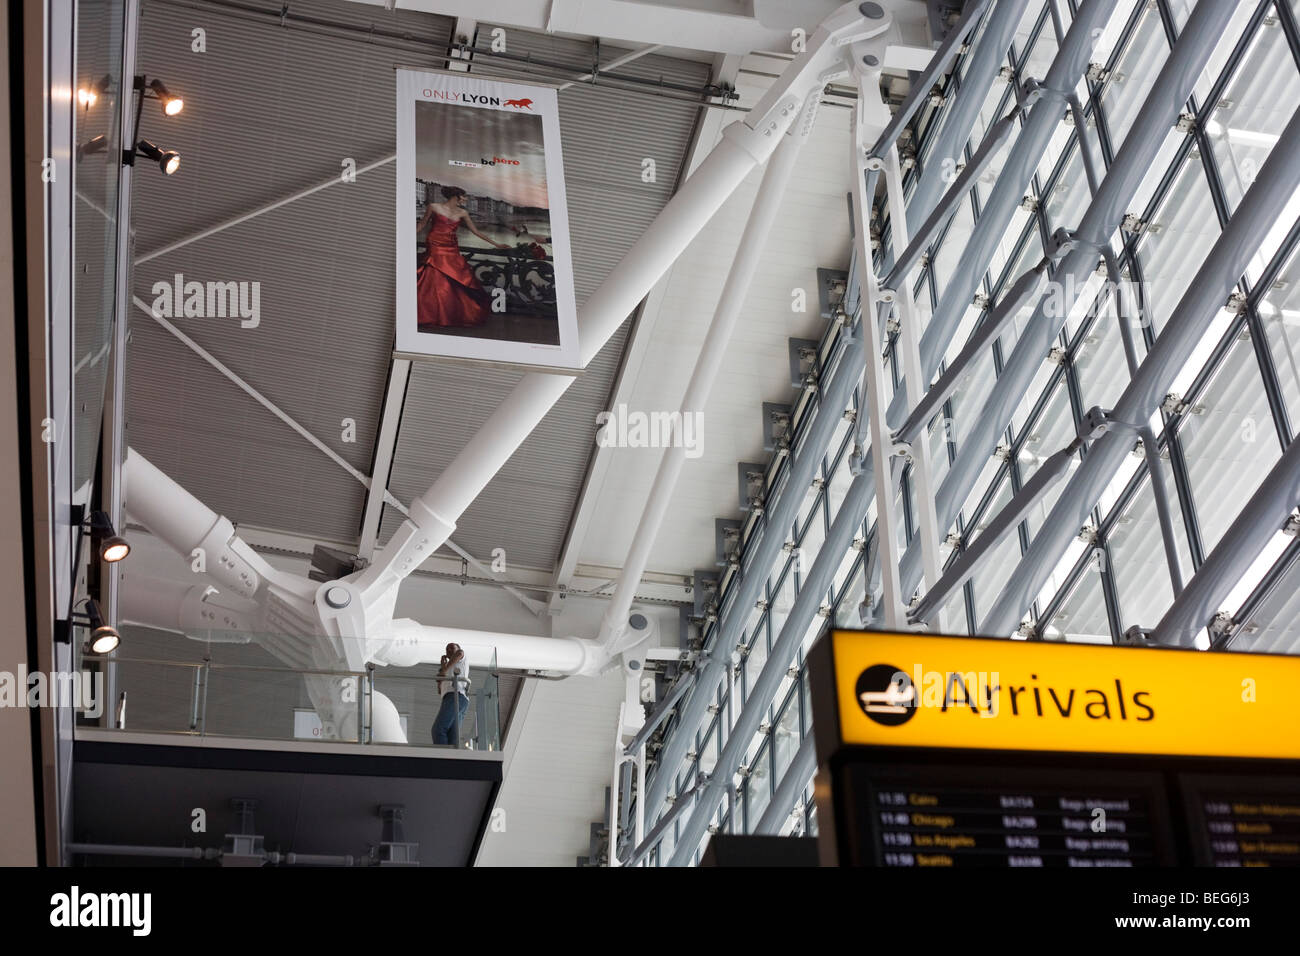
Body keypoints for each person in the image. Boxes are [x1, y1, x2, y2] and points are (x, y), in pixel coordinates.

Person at [415, 185, 509, 329]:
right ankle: (431, 312)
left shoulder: (463, 213)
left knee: (453, 276)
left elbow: (476, 232)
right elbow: (421, 225)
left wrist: (496, 244)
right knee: (434, 274)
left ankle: (447, 311)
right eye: (464, 196)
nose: (465, 199)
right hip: (435, 243)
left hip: (451, 246)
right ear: (456, 196)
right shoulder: (433, 206)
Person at [431, 642, 471, 747]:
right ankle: (453, 758)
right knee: (452, 735)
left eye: (451, 648)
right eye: (447, 649)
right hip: (454, 698)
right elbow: (439, 691)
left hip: (455, 695)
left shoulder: (461, 657)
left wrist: (444, 669)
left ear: (458, 648)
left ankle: (443, 757)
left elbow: (459, 654)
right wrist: (442, 668)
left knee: (438, 730)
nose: (448, 650)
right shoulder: (447, 669)